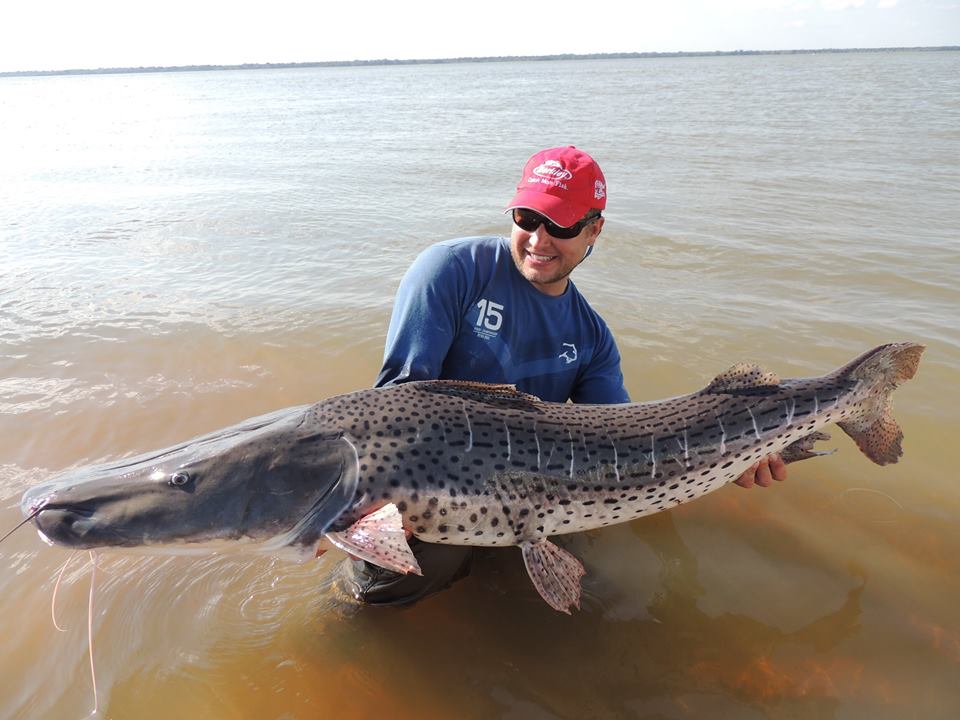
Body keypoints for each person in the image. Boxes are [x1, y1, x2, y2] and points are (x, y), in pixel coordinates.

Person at [337, 146, 787, 606]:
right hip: (436, 495)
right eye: (527, 218)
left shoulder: (591, 337)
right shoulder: (451, 272)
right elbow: (393, 411)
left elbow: (628, 446)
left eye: (562, 225)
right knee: (387, 590)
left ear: (595, 229)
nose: (539, 239)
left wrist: (734, 454)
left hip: (538, 500)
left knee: (604, 584)